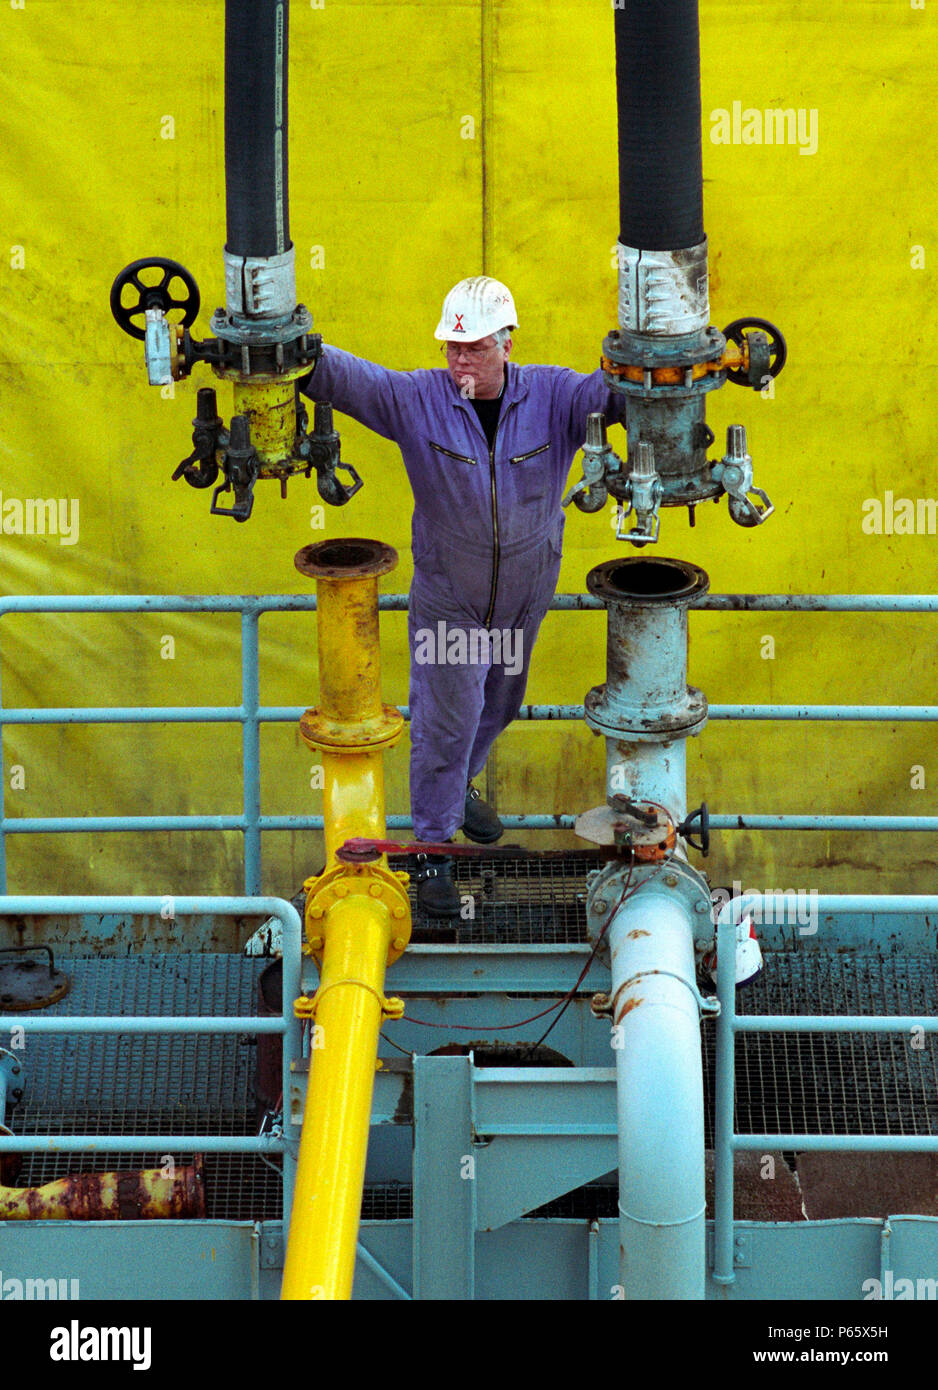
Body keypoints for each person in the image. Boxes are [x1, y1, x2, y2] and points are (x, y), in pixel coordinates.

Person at [300, 276, 626, 916]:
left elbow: (607, 397)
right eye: (451, 347)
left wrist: (647, 357)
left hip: (524, 596)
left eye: (472, 348)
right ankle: (430, 854)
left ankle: (458, 787)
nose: (458, 361)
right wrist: (295, 350)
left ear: (507, 342)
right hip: (451, 599)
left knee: (500, 703)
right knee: (445, 722)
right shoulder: (418, 400)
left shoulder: (556, 397)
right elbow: (349, 380)